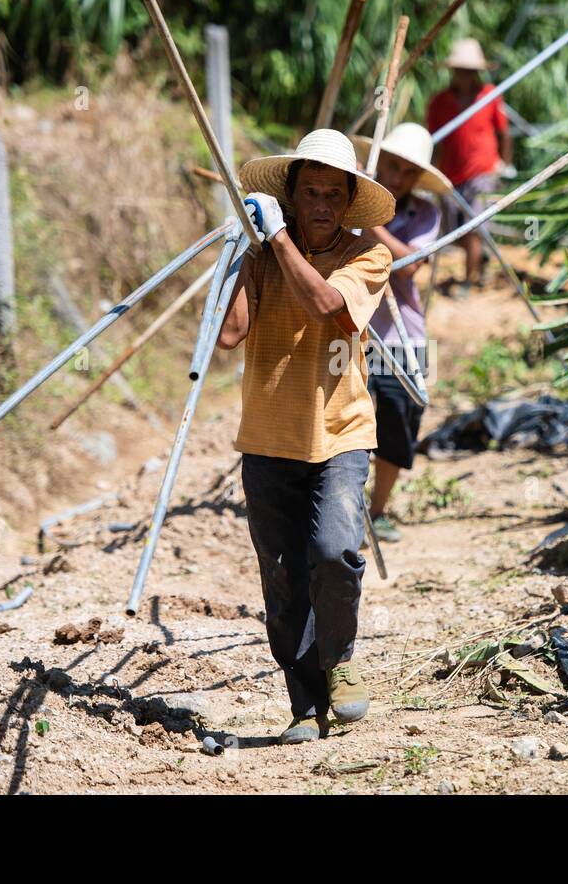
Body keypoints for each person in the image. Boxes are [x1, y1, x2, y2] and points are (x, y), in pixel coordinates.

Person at [217, 128, 395, 744]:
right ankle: (303, 703)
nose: (320, 203)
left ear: (347, 204)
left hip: (340, 432)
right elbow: (229, 335)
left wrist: (279, 239)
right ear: (290, 197)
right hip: (267, 437)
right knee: (283, 575)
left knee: (335, 551)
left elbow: (327, 308)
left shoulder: (367, 258)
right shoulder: (264, 256)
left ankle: (340, 662)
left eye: (331, 194)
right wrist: (245, 255)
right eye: (309, 192)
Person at [349, 123, 452, 543]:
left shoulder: (425, 214)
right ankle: (341, 509)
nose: (396, 178)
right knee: (344, 421)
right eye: (391, 166)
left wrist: (368, 220)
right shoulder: (347, 197)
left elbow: (409, 264)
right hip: (349, 329)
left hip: (400, 336)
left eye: (408, 172)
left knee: (398, 419)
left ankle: (377, 510)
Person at [426, 38, 512, 292]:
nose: (465, 76)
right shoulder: (439, 102)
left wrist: (504, 164)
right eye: (461, 70)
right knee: (455, 229)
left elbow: (504, 132)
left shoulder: (490, 96)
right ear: (453, 71)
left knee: (475, 225)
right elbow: (432, 140)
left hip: (483, 172)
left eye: (470, 71)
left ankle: (467, 280)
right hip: (450, 175)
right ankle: (479, 256)